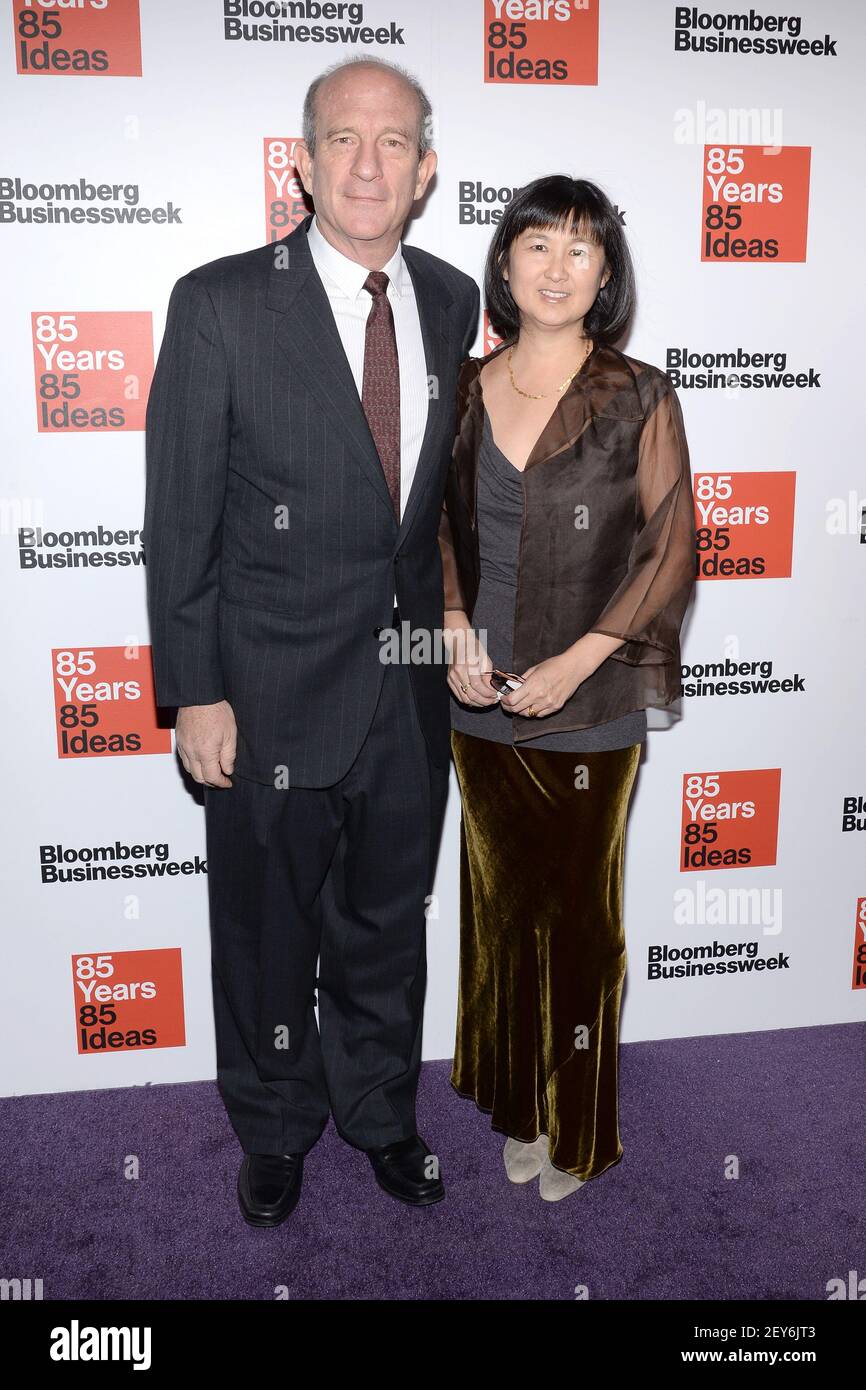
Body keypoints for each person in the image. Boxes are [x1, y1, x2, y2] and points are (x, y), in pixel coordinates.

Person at [143, 56, 479, 1226]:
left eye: (394, 141)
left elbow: (433, 504)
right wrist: (194, 691)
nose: (368, 163)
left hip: (407, 696)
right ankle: (276, 1124)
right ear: (301, 160)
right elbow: (181, 514)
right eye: (342, 138)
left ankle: (381, 1113)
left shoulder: (449, 298)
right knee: (266, 929)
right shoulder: (221, 302)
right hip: (267, 688)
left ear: (426, 166)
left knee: (387, 922)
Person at [439, 174, 695, 1201]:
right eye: (536, 245)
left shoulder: (637, 392)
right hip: (475, 699)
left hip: (588, 707)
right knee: (501, 913)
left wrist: (581, 656)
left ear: (604, 275)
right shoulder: (460, 388)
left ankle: (578, 1127)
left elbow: (669, 549)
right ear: (503, 265)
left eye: (578, 250)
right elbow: (434, 537)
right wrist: (451, 626)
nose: (554, 267)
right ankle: (519, 1102)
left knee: (579, 921)